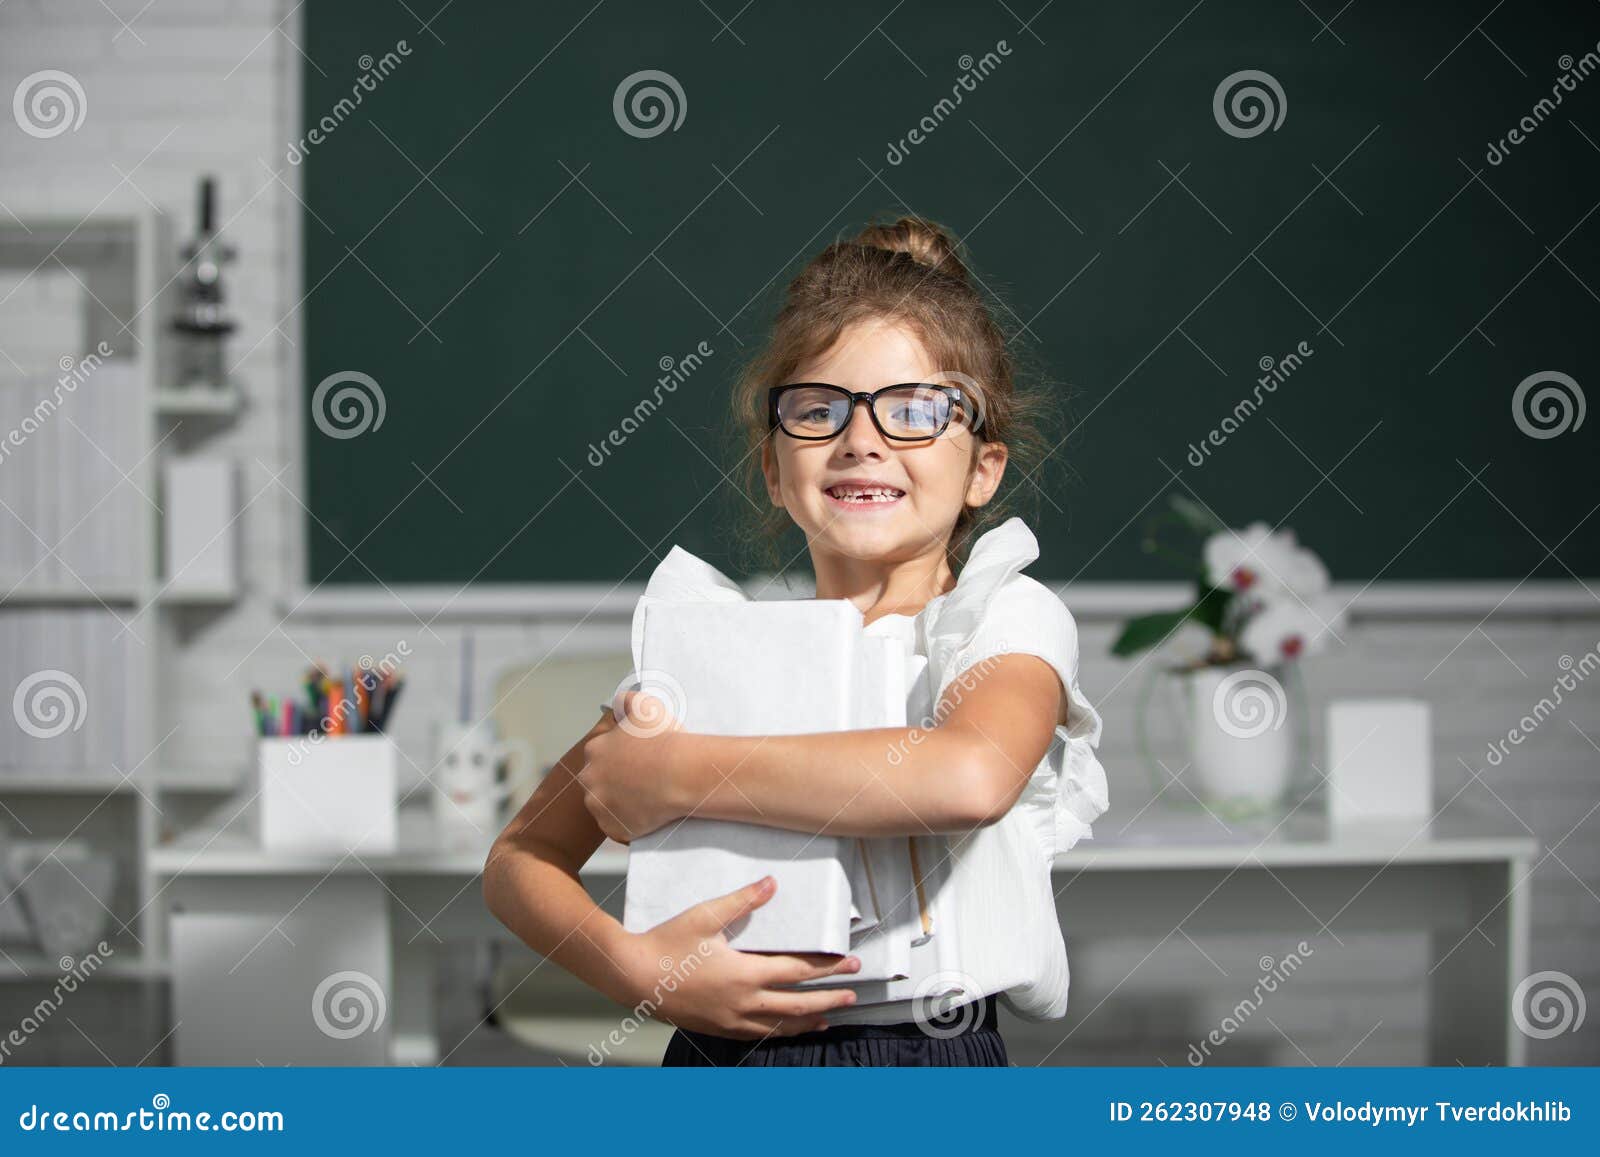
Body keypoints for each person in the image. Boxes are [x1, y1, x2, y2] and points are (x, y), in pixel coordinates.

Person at [484, 215, 1109, 1066]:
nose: (861, 440)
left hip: (921, 1066)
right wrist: (638, 970)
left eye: (916, 412)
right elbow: (520, 860)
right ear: (776, 470)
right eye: (818, 410)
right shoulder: (717, 648)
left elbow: (968, 775)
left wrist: (677, 772)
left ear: (983, 469)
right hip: (724, 1058)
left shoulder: (1003, 618)